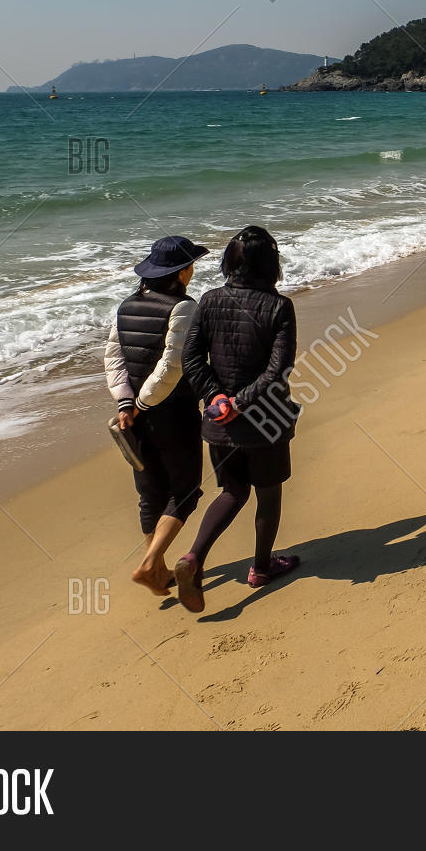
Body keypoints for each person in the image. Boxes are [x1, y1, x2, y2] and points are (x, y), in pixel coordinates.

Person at [175, 227, 301, 613]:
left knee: (232, 491)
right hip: (266, 422)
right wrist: (242, 402)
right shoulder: (279, 307)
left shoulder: (209, 301)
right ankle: (261, 567)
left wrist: (217, 398)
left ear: (229, 262)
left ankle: (194, 558)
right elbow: (278, 370)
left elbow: (192, 360)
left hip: (220, 424)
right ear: (270, 265)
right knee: (268, 493)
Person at [104, 235, 210, 597]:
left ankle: (159, 571)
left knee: (150, 494)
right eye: (190, 266)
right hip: (171, 412)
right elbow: (172, 366)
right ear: (181, 273)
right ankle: (150, 564)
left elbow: (114, 358)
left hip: (131, 416)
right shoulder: (183, 307)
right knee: (186, 491)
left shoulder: (126, 305)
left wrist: (125, 402)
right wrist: (145, 404)